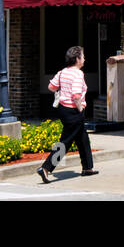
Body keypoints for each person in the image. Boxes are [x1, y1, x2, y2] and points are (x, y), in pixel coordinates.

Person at [38, 45, 96, 183]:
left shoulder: (62, 72)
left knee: (83, 139)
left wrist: (63, 91)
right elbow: (76, 95)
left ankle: (88, 168)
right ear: (77, 59)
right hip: (74, 111)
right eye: (83, 56)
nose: (84, 59)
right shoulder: (78, 74)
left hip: (63, 110)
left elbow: (51, 87)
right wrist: (80, 108)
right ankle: (46, 168)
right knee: (65, 142)